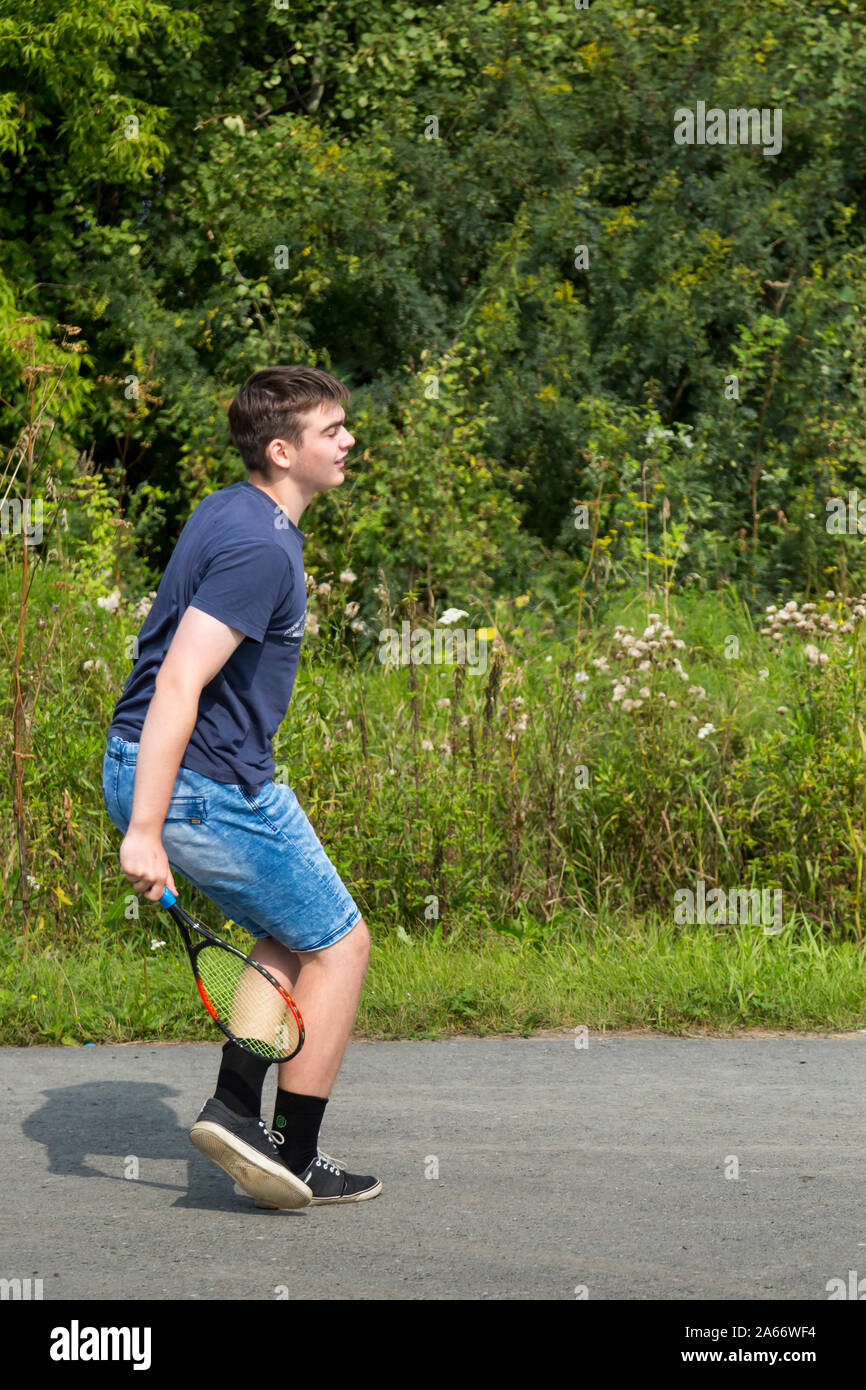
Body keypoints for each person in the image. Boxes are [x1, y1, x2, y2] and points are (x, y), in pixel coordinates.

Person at [101, 365, 380, 1209]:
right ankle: (295, 1154)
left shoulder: (230, 508)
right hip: (203, 787)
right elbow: (181, 682)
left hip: (164, 770)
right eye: (333, 430)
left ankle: (235, 1109)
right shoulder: (262, 545)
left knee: (287, 934)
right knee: (340, 944)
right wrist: (146, 828)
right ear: (282, 449)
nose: (349, 442)